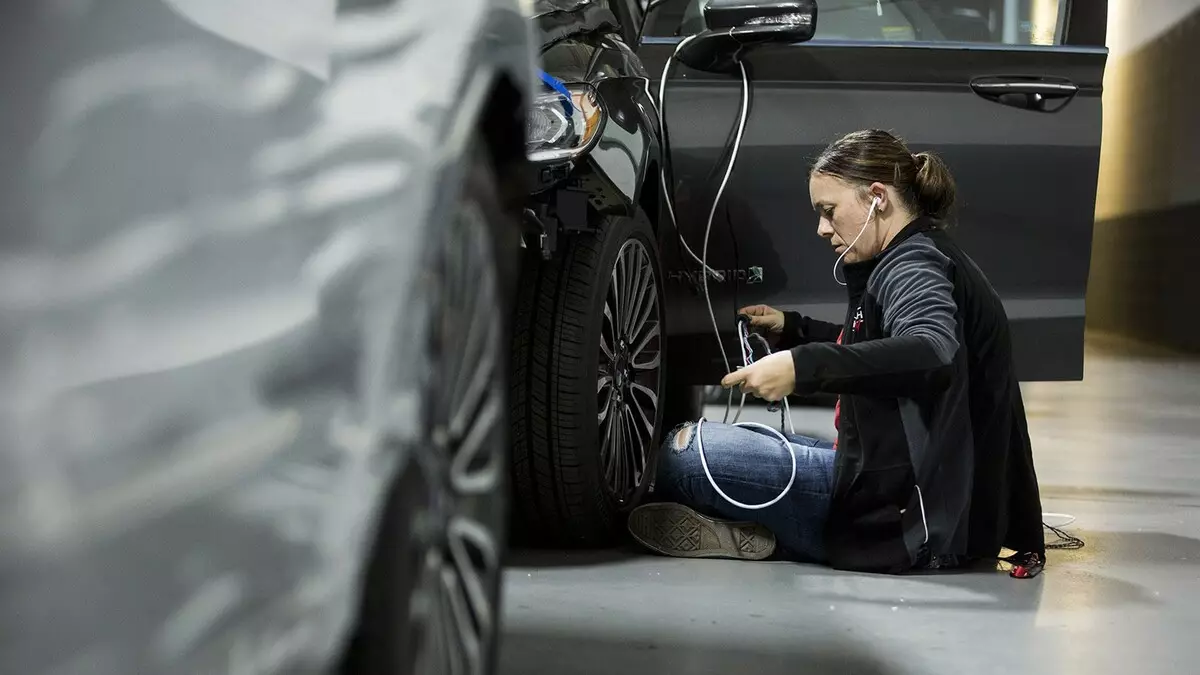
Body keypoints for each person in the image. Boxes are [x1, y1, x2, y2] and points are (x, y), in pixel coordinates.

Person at [627, 129, 1046, 575]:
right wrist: (794, 331)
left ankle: (777, 535)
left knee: (683, 455)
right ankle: (756, 525)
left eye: (829, 211)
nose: (822, 228)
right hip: (916, 492)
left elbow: (931, 351)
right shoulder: (923, 252)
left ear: (877, 197)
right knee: (723, 445)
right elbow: (881, 342)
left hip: (913, 521)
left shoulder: (912, 264)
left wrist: (801, 367)